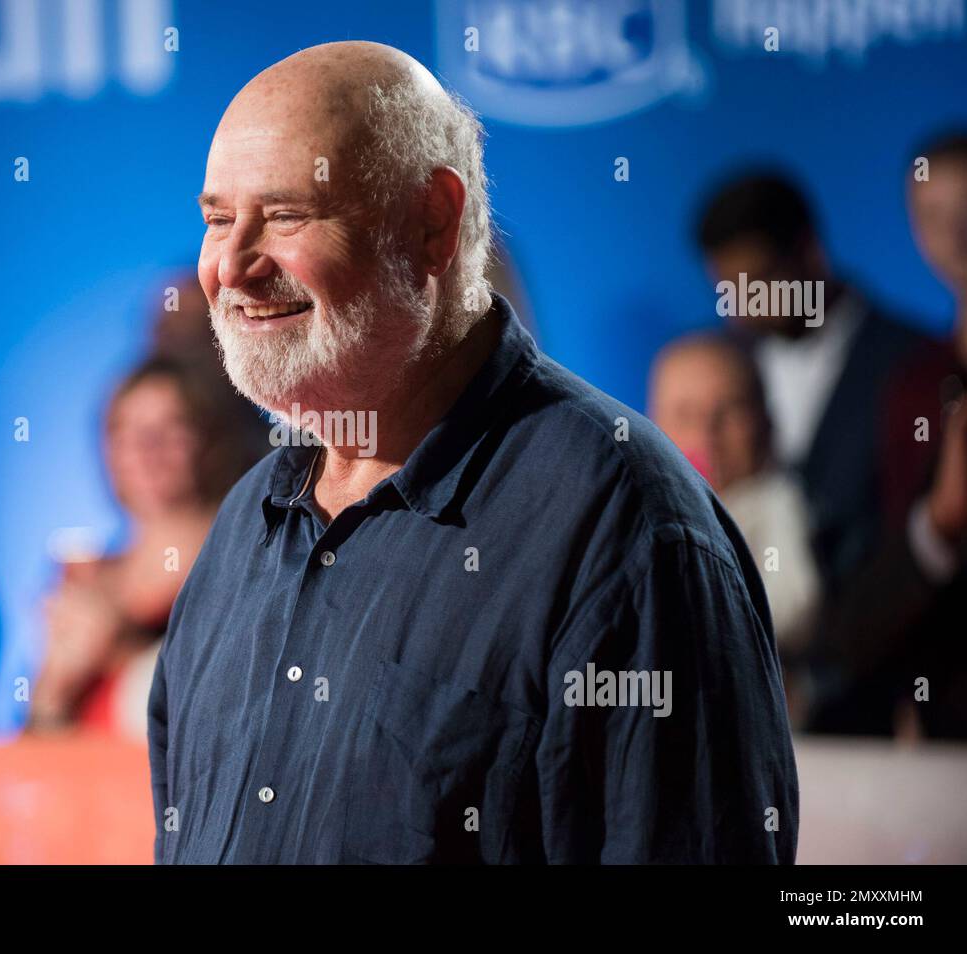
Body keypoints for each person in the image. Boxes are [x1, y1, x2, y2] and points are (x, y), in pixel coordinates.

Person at [147, 41, 797, 864]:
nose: (229, 267)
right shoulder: (245, 528)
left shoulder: (627, 531)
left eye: (284, 216)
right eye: (215, 219)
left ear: (432, 225)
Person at [806, 132, 967, 739]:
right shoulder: (910, 384)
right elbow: (873, 597)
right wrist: (941, 524)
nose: (957, 237)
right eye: (934, 217)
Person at [694, 173, 922, 595]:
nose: (742, 310)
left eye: (758, 284)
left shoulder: (912, 363)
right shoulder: (721, 368)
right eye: (726, 291)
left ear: (808, 251)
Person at [30, 355, 260, 736]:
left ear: (212, 442)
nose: (145, 450)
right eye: (126, 433)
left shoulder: (246, 565)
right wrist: (54, 687)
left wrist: (123, 649)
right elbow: (37, 746)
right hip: (87, 788)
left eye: (171, 430)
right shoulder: (83, 575)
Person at [649, 333, 820, 662]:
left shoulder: (777, 503)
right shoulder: (640, 511)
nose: (706, 433)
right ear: (652, 427)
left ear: (766, 424)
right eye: (685, 415)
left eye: (730, 410)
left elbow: (795, 607)